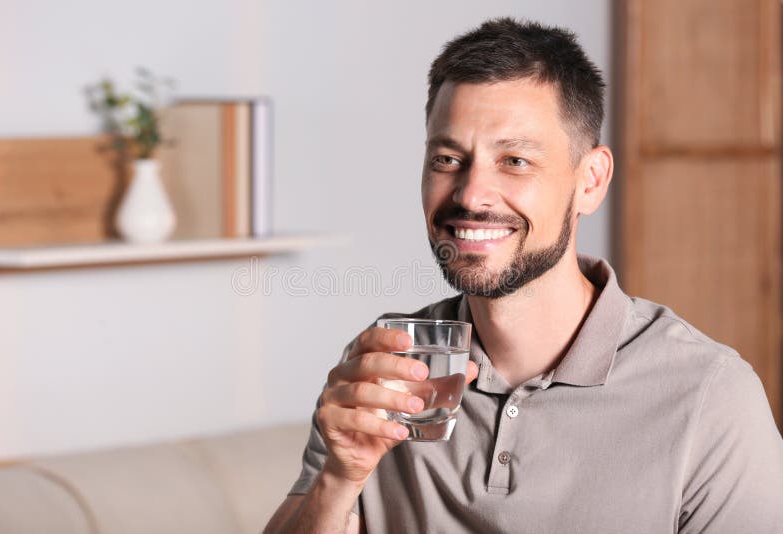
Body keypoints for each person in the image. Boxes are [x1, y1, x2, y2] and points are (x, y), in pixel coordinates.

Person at [265, 18, 783, 533]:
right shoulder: (389, 365)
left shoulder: (709, 396)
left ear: (591, 181)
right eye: (448, 159)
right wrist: (340, 477)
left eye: (514, 160)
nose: (470, 195)